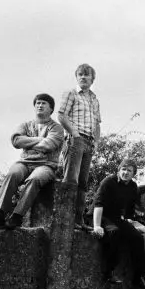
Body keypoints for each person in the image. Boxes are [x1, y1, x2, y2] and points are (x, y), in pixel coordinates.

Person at [0, 94, 65, 230]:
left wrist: (27, 142)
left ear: (51, 109)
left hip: (46, 165)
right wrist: (39, 139)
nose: (40, 106)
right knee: (13, 174)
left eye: (44, 103)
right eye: (38, 103)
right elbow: (16, 141)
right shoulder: (25, 125)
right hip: (25, 162)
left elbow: (48, 146)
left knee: (34, 179)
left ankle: (17, 216)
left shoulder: (56, 128)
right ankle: (0, 214)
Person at [91, 159, 145, 289]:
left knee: (137, 237)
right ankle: (109, 273)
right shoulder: (109, 182)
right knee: (114, 233)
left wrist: (129, 220)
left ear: (133, 173)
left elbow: (129, 208)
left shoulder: (132, 186)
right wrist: (96, 225)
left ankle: (139, 277)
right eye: (123, 169)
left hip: (116, 217)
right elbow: (98, 203)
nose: (126, 172)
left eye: (129, 170)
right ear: (119, 170)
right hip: (100, 214)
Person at [59, 63, 102, 230]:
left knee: (83, 182)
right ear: (76, 77)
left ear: (92, 79)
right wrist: (74, 134)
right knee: (70, 180)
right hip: (76, 139)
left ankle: (78, 220)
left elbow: (97, 124)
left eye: (86, 75)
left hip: (89, 142)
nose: (83, 77)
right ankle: (64, 218)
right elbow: (61, 115)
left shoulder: (94, 99)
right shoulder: (71, 93)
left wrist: (96, 142)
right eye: (80, 75)